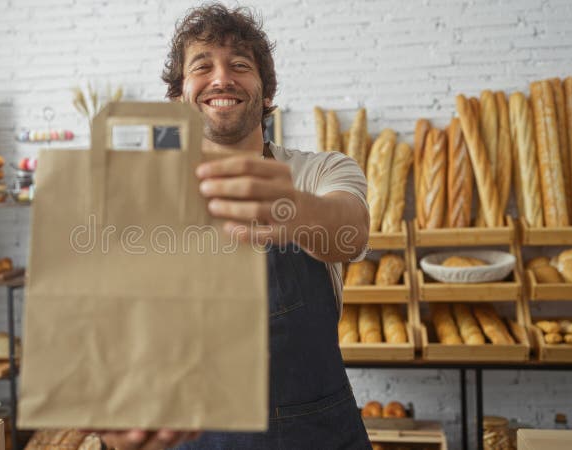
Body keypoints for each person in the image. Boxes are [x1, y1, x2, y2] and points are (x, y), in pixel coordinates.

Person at [100, 4, 372, 450]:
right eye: (202, 66)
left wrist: (286, 206)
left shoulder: (318, 172)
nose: (222, 78)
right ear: (179, 97)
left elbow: (351, 230)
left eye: (240, 66)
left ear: (266, 94)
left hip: (315, 434)